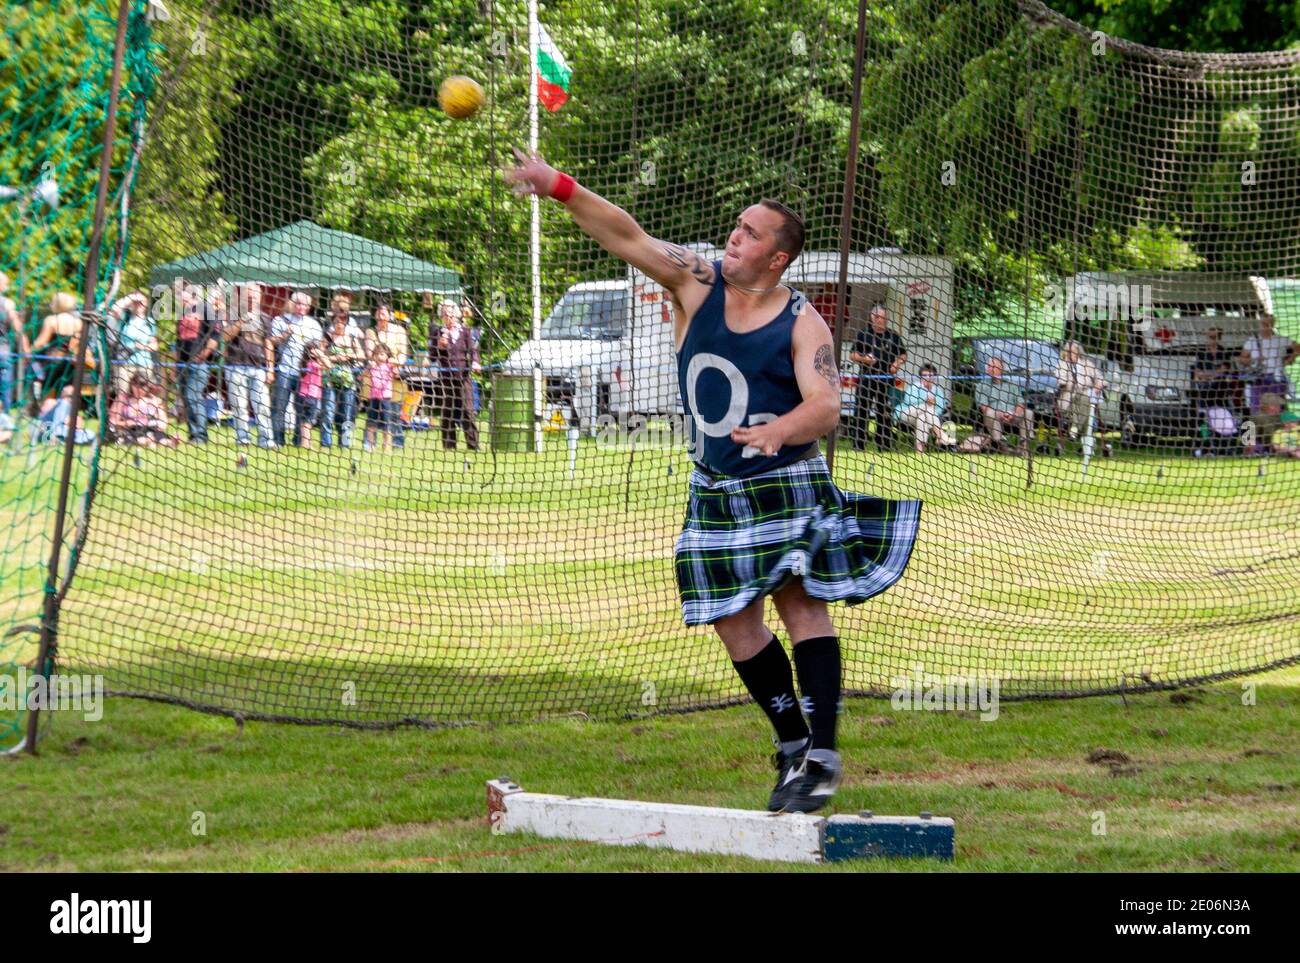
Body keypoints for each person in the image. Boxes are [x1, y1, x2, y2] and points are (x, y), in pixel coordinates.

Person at [505, 147, 921, 814]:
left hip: (785, 479)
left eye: (751, 232)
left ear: (777, 257)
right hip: (716, 490)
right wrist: (558, 186)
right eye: (737, 224)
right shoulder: (695, 284)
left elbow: (826, 404)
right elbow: (626, 233)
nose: (735, 235)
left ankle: (823, 756)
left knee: (800, 604)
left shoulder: (801, 319)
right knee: (731, 619)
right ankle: (792, 743)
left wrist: (779, 430)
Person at [221, 282, 275, 448]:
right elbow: (225, 337)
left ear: (260, 297)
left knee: (262, 405)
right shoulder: (232, 314)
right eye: (249, 296)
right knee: (239, 406)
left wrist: (270, 369)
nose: (252, 299)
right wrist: (241, 321)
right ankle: (243, 439)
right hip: (235, 366)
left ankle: (266, 440)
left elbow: (269, 344)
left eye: (255, 296)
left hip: (258, 368)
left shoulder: (265, 318)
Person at [847, 304, 906, 451]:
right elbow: (852, 355)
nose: (882, 321)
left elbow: (903, 354)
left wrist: (897, 363)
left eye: (885, 318)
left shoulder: (893, 335)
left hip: (886, 380)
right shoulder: (864, 334)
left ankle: (884, 444)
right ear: (873, 317)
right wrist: (865, 359)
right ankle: (858, 444)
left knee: (884, 412)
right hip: (867, 379)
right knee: (861, 411)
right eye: (879, 318)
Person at [270, 291, 323, 446]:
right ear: (292, 304)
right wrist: (286, 333)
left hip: (305, 375)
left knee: (302, 410)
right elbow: (272, 342)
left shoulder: (313, 324)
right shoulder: (280, 320)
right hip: (285, 371)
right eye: (299, 303)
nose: (302, 307)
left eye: (305, 304)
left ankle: (299, 441)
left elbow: (318, 348)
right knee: (279, 407)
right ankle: (278, 441)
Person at [172, 287, 222, 444]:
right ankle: (193, 434)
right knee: (187, 400)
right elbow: (177, 342)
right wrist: (174, 366)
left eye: (180, 293)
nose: (178, 296)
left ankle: (201, 435)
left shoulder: (205, 309)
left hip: (199, 364)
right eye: (176, 294)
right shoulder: (181, 313)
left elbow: (215, 335)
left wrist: (204, 354)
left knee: (193, 396)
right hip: (182, 364)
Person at [431, 298, 481, 450]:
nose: (448, 317)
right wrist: (440, 346)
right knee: (448, 412)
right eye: (445, 314)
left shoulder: (465, 331)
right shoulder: (437, 333)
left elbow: (473, 351)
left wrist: (475, 362)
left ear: (457, 314)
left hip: (464, 377)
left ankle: (473, 445)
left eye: (451, 314)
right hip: (446, 379)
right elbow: (432, 356)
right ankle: (449, 445)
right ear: (441, 316)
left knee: (467, 411)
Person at [31, 292, 93, 402]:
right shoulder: (79, 323)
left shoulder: (52, 320)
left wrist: (30, 348)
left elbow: (41, 342)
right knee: (65, 392)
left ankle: (43, 408)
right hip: (70, 362)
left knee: (48, 390)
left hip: (53, 361)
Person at [320, 294, 365, 449]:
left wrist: (346, 355)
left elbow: (362, 355)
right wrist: (333, 358)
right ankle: (326, 444)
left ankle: (345, 444)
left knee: (346, 413)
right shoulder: (327, 337)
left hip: (347, 379)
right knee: (328, 412)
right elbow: (318, 353)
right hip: (329, 378)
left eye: (343, 321)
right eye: (337, 321)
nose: (340, 324)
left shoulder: (351, 338)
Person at [362, 304, 409, 449]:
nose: (381, 316)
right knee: (372, 414)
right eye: (379, 313)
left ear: (390, 315)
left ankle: (396, 443)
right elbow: (369, 353)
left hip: (393, 377)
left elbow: (403, 353)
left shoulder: (399, 330)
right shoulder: (370, 331)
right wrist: (380, 362)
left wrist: (396, 366)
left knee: (394, 412)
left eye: (384, 313)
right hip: (375, 380)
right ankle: (370, 444)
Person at [1054, 339, 1104, 455]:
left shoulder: (1087, 364)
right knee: (1086, 407)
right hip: (1068, 399)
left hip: (1086, 398)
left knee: (1084, 397)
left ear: (1079, 352)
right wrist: (1067, 367)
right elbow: (1061, 381)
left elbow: (1100, 378)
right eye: (1069, 352)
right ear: (1065, 352)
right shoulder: (1062, 365)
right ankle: (1088, 445)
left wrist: (1098, 385)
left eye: (1074, 352)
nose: (1072, 354)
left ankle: (1075, 427)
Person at [1240, 314, 1298, 412]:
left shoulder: (1280, 340)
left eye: (1268, 324)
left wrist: (1288, 360)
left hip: (1276, 378)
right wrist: (1255, 360)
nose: (1265, 326)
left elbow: (1298, 347)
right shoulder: (1252, 340)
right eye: (1263, 324)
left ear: (1272, 325)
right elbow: (1242, 359)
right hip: (1258, 379)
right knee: (1257, 409)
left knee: (1277, 410)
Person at [975, 355, 1032, 454]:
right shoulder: (982, 386)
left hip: (1012, 416)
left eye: (994, 367)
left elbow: (1020, 404)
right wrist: (999, 414)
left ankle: (1023, 445)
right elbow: (984, 407)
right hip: (995, 417)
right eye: (989, 366)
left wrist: (1014, 414)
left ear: (1001, 369)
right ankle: (1001, 444)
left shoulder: (1012, 385)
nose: (990, 369)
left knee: (1028, 413)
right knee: (990, 413)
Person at [108, 290, 158, 397]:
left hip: (144, 363)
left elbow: (155, 345)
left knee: (143, 395)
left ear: (146, 304)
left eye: (142, 302)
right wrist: (131, 297)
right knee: (121, 395)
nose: (139, 304)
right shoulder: (125, 318)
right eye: (136, 302)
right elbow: (114, 309)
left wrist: (144, 346)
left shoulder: (150, 322)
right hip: (125, 362)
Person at [108, 373, 178, 447]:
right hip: (131, 430)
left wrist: (161, 424)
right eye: (136, 386)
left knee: (159, 437)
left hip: (150, 429)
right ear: (131, 385)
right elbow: (112, 421)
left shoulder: (153, 400)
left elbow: (164, 420)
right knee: (135, 436)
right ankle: (146, 441)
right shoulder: (123, 399)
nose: (139, 389)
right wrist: (127, 423)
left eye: (143, 387)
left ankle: (168, 442)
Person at [893, 363, 951, 453]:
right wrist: (925, 400)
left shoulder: (938, 391)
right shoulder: (914, 387)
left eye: (930, 375)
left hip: (927, 418)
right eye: (924, 375)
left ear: (935, 377)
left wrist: (931, 407)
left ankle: (920, 452)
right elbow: (908, 401)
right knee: (926, 407)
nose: (927, 378)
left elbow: (940, 409)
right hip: (906, 413)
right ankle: (940, 434)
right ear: (920, 377)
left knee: (922, 418)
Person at [0, 272, 33, 409]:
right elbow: (18, 329)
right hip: (3, 351)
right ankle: (5, 417)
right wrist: (26, 349)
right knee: (5, 387)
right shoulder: (7, 304)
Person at [1191, 326, 1236, 414]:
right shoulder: (1201, 352)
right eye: (1209, 337)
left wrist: (1206, 374)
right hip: (1205, 391)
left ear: (1218, 338)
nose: (1211, 340)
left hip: (1221, 392)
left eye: (1213, 337)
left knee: (1223, 415)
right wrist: (1213, 374)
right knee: (1203, 417)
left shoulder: (1224, 352)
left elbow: (1223, 370)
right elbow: (1197, 372)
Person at [364, 341, 397, 452]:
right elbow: (361, 377)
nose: (379, 356)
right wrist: (368, 368)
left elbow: (396, 374)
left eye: (382, 354)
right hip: (373, 398)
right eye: (377, 354)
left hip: (385, 398)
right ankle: (371, 445)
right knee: (371, 423)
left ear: (387, 356)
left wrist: (394, 364)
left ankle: (387, 446)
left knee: (386, 423)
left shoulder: (389, 366)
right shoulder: (372, 367)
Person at [296, 342, 329, 449]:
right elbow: (329, 365)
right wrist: (320, 354)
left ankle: (305, 443)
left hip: (302, 396)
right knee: (308, 421)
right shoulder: (313, 364)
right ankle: (306, 444)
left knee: (304, 421)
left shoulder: (304, 363)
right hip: (311, 397)